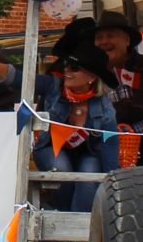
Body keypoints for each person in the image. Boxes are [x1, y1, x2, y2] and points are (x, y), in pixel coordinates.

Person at [34, 46, 121, 212]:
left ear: (92, 77)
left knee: (90, 175)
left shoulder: (106, 111)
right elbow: (16, 78)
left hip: (89, 155)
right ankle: (62, 215)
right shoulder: (53, 86)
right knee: (61, 169)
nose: (66, 70)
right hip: (50, 148)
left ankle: (81, 225)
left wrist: (114, 184)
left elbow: (110, 147)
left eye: (74, 68)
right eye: (65, 65)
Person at [92, 13, 143, 130]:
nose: (104, 42)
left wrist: (104, 113)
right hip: (105, 139)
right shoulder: (91, 73)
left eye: (110, 36)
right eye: (99, 38)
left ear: (127, 40)